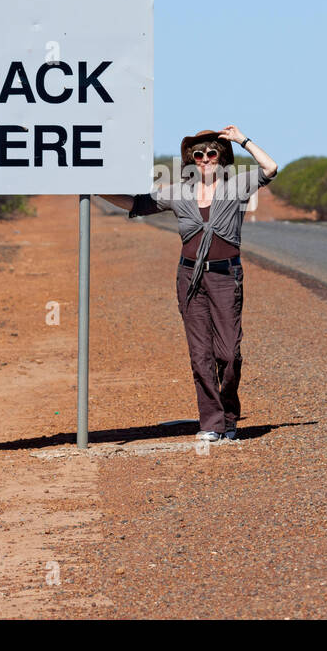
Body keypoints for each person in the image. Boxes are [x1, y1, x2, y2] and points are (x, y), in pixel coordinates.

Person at [100, 126, 278, 442]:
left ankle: (229, 416)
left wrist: (242, 140)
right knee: (200, 354)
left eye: (212, 154)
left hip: (226, 277)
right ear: (191, 160)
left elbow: (270, 168)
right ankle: (211, 424)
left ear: (222, 158)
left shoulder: (236, 187)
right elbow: (137, 204)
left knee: (229, 354)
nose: (205, 159)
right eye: (199, 155)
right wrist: (95, 189)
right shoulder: (178, 192)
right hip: (190, 278)